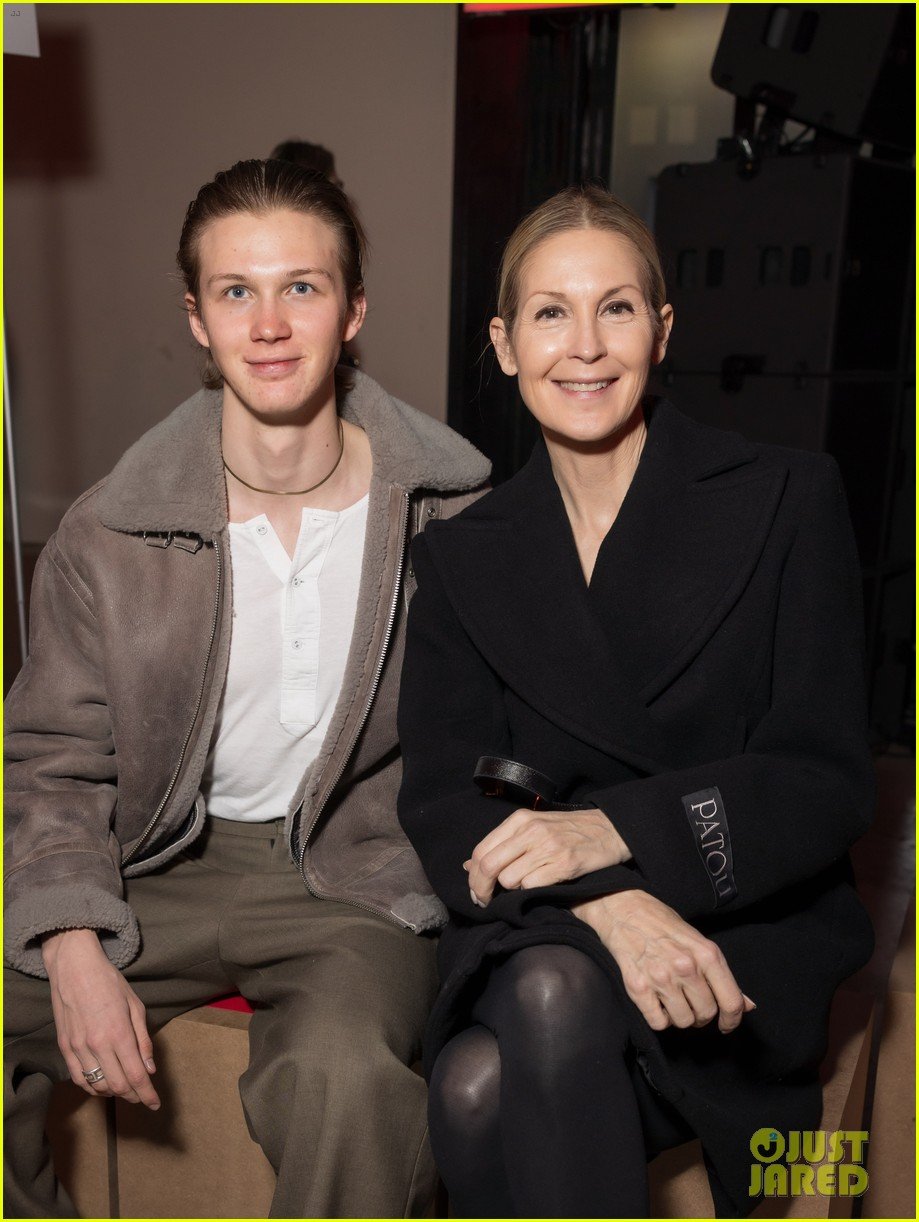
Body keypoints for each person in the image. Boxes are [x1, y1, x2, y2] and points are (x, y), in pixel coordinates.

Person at [4, 158, 490, 1219]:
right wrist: (71, 942)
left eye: (302, 287)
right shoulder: (108, 529)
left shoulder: (453, 517)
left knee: (347, 1084)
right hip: (158, 859)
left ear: (354, 307)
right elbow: (52, 758)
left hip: (354, 868)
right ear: (196, 317)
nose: (268, 324)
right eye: (236, 291)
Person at [397, 184, 874, 1218]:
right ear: (504, 341)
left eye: (615, 307)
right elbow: (445, 800)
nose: (585, 345)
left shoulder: (788, 496)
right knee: (533, 1005)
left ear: (660, 331)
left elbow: (825, 780)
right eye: (549, 312)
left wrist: (615, 827)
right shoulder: (462, 557)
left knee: (481, 1084)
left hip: (740, 932)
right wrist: (603, 896)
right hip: (546, 925)